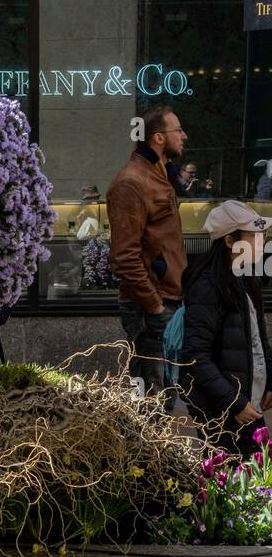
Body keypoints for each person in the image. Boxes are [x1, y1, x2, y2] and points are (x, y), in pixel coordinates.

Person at [107, 104, 188, 407]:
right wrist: (154, 306)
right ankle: (145, 456)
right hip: (152, 305)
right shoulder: (132, 182)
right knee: (151, 404)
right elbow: (123, 257)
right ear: (157, 137)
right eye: (177, 130)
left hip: (168, 301)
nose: (184, 135)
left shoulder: (158, 174)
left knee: (164, 396)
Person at [181, 200, 272, 457]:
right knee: (230, 485)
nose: (261, 242)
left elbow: (258, 338)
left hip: (247, 404)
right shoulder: (208, 285)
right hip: (224, 409)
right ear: (230, 242)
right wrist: (234, 403)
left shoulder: (245, 278)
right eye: (254, 236)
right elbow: (195, 355)